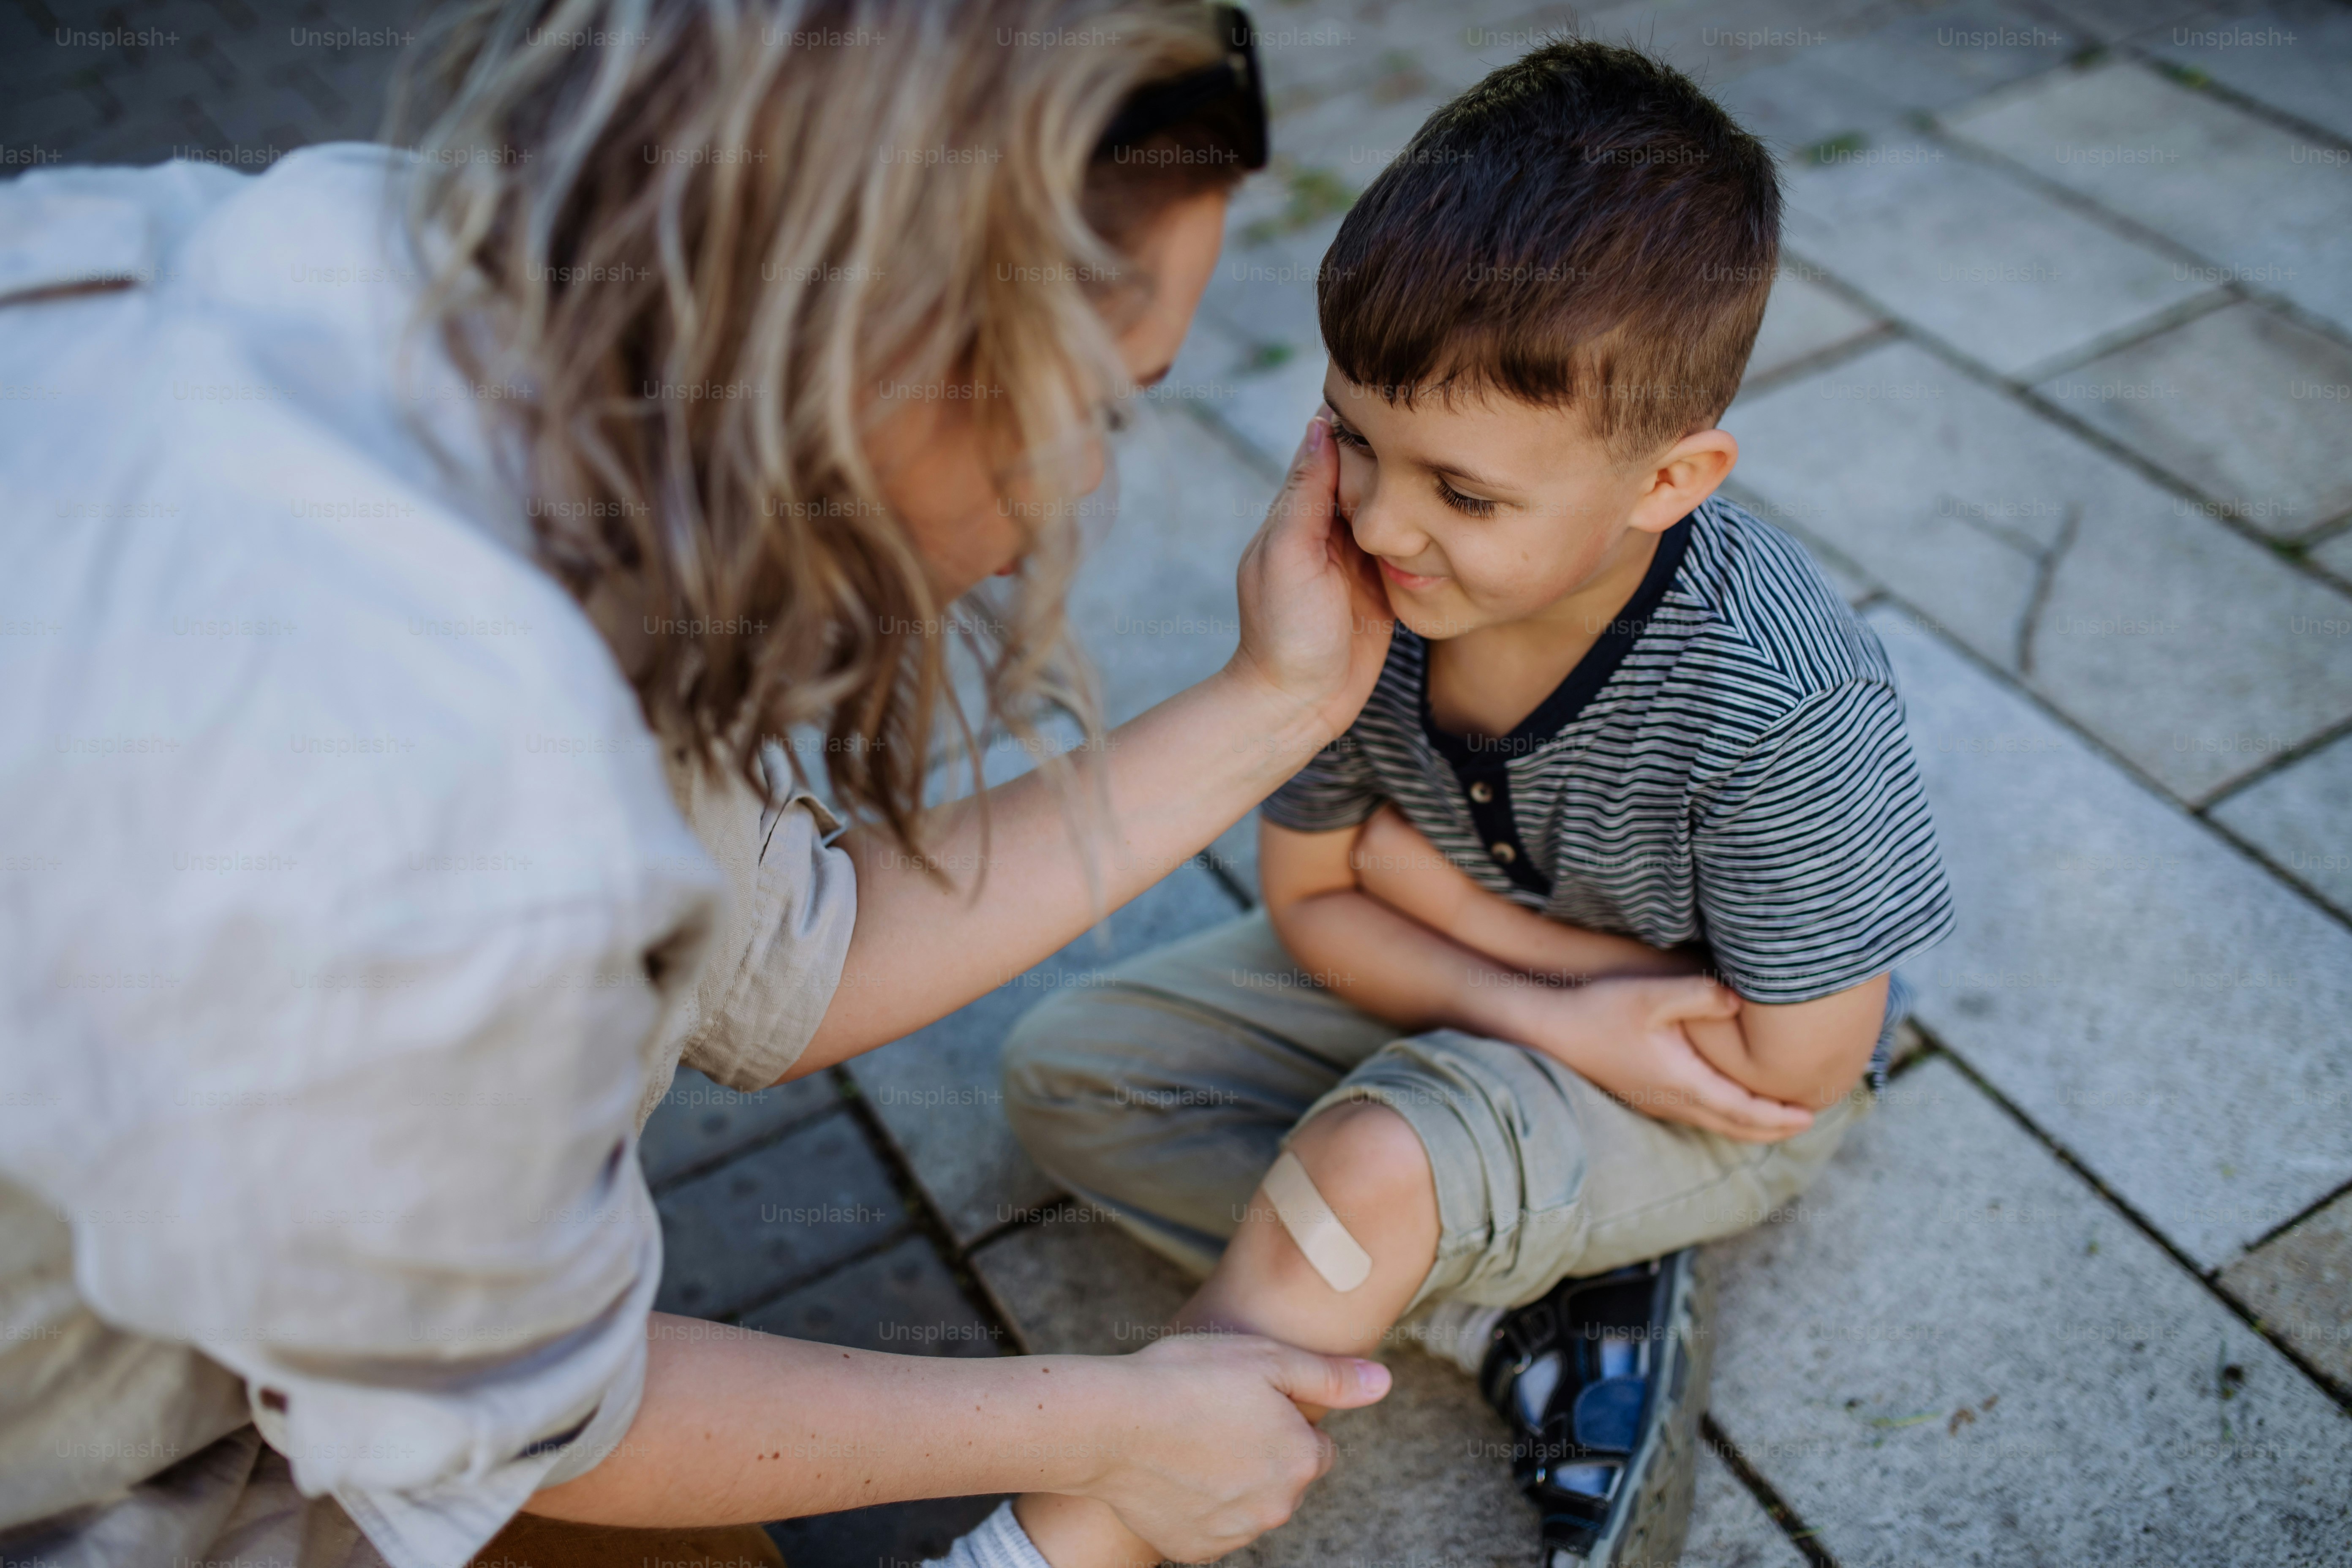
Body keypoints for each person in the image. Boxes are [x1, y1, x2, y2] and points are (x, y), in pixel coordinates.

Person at [0, 5, 1403, 1568]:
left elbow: (788, 961)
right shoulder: (442, 828)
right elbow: (536, 1428)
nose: (1090, 480)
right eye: (1102, 401)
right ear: (884, 343)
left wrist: (1281, 701)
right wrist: (1117, 1432)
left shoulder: (420, 258)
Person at [1002, 38, 1957, 1567]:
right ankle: (1544, 1313)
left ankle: (1080, 1531)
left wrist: (1438, 907)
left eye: (1464, 492)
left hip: (1711, 1092)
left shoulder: (1779, 700)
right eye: (1355, 439)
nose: (1379, 523)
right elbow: (1313, 906)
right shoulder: (1360, 594)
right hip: (1564, 1015)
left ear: (1668, 481)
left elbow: (1799, 1061)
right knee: (1070, 1075)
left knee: (1364, 1167)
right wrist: (1553, 1006)